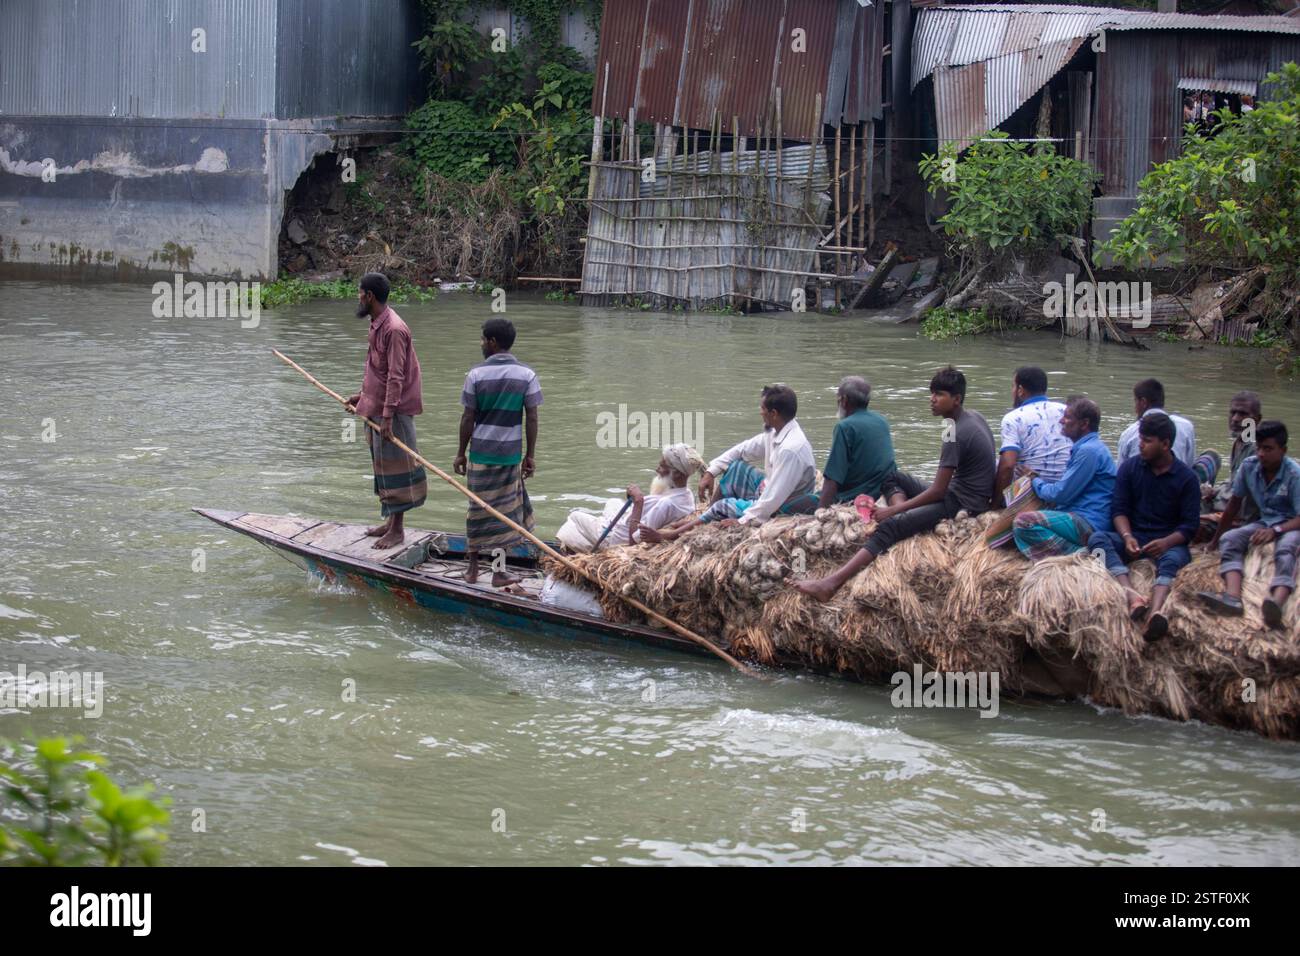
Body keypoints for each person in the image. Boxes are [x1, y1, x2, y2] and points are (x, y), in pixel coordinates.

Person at [790, 366, 996, 602]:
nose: (932, 400)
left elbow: (939, 491)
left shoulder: (954, 432)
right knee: (892, 476)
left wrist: (894, 510)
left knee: (889, 527)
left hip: (961, 502)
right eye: (932, 393)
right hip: (965, 494)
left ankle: (830, 584)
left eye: (939, 395)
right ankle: (910, 515)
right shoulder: (970, 418)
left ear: (957, 399)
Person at [1087, 413, 1200, 642]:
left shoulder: (1187, 478)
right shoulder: (1130, 468)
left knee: (1173, 560)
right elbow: (1119, 510)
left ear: (1166, 444)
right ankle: (1131, 596)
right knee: (1097, 540)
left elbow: (1189, 526)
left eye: (1147, 441)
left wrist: (1167, 542)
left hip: (1167, 541)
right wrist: (1127, 537)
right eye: (1141, 439)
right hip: (1136, 535)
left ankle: (1155, 611)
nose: (1141, 445)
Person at [656, 384, 817, 539]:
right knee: (735, 468)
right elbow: (743, 450)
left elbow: (773, 499)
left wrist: (743, 521)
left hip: (781, 508)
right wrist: (711, 472)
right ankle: (706, 516)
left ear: (774, 413)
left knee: (723, 506)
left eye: (762, 409)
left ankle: (672, 535)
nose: (760, 412)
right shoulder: (775, 431)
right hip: (768, 490)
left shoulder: (791, 449)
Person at [454, 318, 542, 586]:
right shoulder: (527, 375)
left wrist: (460, 453)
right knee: (503, 514)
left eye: (483, 339)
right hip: (509, 455)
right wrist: (530, 455)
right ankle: (498, 571)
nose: (481, 344)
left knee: (477, 510)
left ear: (492, 342)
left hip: (480, 454)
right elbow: (532, 418)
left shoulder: (475, 375)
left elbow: (467, 418)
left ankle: (471, 569)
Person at [344, 272, 427, 550]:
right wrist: (362, 396)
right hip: (378, 407)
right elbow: (375, 370)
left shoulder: (393, 329)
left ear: (369, 296)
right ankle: (390, 523)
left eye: (359, 292)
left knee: (397, 467)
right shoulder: (377, 324)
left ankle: (398, 530)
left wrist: (389, 415)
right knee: (381, 464)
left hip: (394, 411)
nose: (357, 297)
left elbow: (396, 377)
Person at [1198, 420, 1300, 630]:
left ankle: (1277, 601)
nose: (1262, 454)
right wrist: (1215, 541)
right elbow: (1233, 506)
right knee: (1230, 539)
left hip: (1290, 524)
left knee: (1287, 548)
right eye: (1259, 448)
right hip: (1265, 521)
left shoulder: (1294, 474)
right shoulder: (1250, 467)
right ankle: (1232, 596)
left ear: (1283, 450)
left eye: (1269, 449)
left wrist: (1276, 531)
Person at [1012, 396, 1117, 561]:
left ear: (1084, 424)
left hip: (1088, 521)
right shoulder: (1087, 448)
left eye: (1068, 417)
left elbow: (1060, 494)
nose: (1061, 421)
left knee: (1023, 522)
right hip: (1080, 516)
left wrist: (1034, 479)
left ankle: (1080, 556)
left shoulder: (1089, 452)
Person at [556, 444, 703, 551]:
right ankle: (598, 527)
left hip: (618, 539)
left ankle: (578, 551)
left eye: (662, 466)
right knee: (612, 501)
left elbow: (635, 542)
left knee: (574, 516)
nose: (657, 469)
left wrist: (638, 502)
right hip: (625, 522)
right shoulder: (686, 494)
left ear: (676, 473)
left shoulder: (666, 504)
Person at [993, 366, 1072, 506]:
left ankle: (1001, 507)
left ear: (1020, 391)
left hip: (1030, 493)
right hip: (1066, 489)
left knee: (997, 464)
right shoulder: (1066, 410)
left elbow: (1008, 466)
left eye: (1013, 386)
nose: (1012, 391)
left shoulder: (1013, 418)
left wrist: (995, 504)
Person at [817, 375, 897, 507]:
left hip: (854, 496)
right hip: (883, 490)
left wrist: (820, 511)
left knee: (797, 503)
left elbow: (833, 478)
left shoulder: (845, 427)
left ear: (844, 400)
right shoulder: (882, 421)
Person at [1198, 390, 1260, 520]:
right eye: (1233, 412)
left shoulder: (1256, 450)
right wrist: (1215, 491)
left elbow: (1246, 496)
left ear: (1256, 420)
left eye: (1242, 414)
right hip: (1229, 502)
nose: (1235, 419)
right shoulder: (1240, 442)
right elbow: (1234, 479)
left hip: (1242, 513)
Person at [1117, 378, 1196, 467]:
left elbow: (1120, 474)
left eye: (1135, 401)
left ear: (1143, 402)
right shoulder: (1186, 426)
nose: (1135, 409)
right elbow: (1190, 465)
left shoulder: (1129, 434)